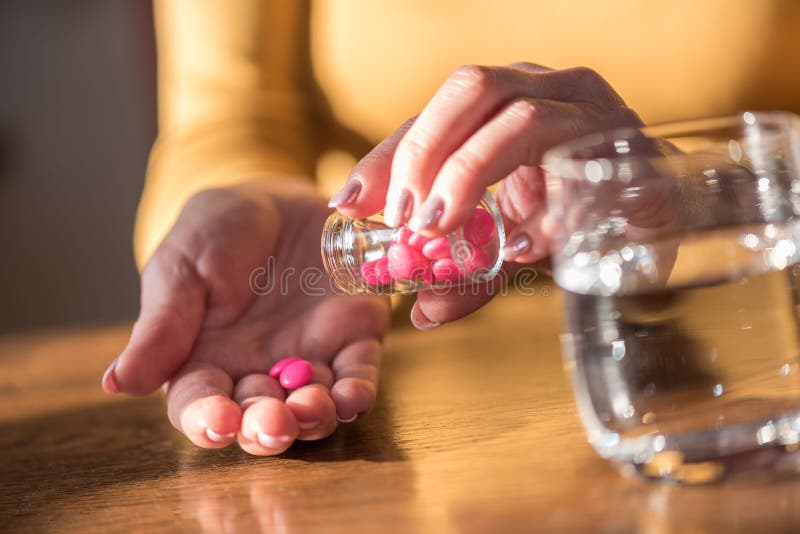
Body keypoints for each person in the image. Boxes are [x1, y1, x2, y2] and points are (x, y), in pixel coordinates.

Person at [101, 0, 800, 456]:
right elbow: (228, 117)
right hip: (421, 424)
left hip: (752, 365)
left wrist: (713, 192)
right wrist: (249, 196)